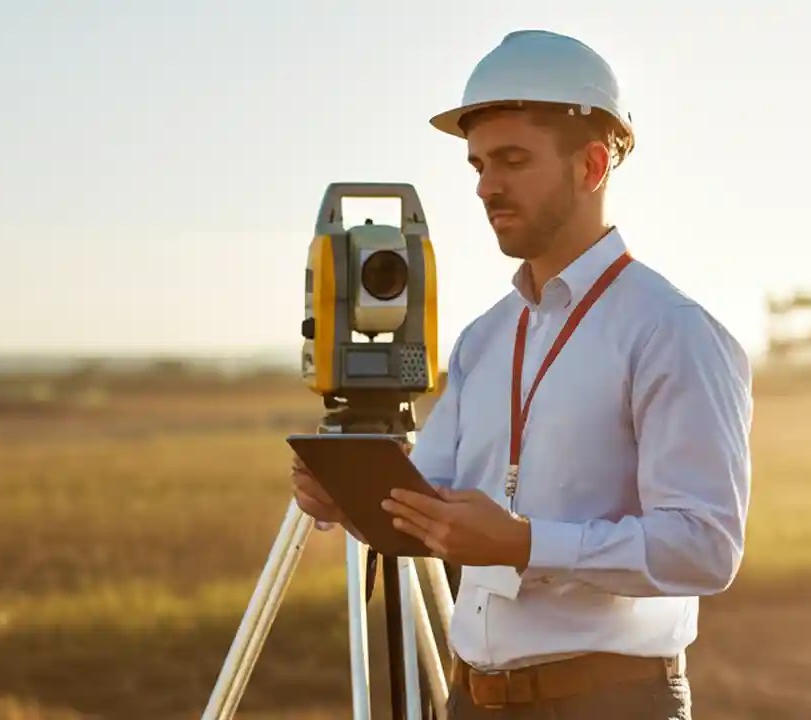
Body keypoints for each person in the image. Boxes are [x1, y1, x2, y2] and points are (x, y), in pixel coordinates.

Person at [292, 29, 753, 718]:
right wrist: (356, 501)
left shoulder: (671, 331)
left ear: (592, 166)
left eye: (511, 160)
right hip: (471, 699)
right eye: (477, 164)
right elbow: (433, 502)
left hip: (612, 704)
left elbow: (705, 547)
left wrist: (526, 542)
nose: (486, 186)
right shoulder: (484, 339)